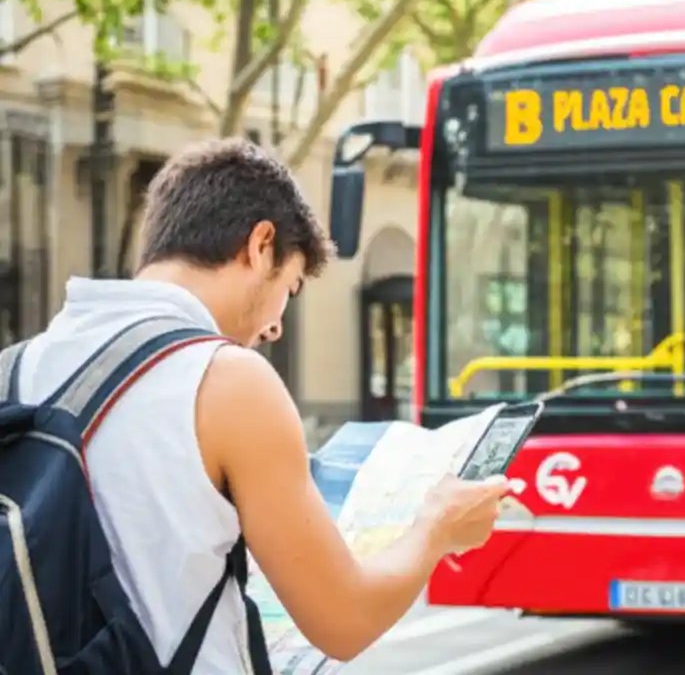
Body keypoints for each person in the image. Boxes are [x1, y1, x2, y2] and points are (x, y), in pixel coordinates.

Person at [13, 138, 510, 671]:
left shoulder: (16, 367)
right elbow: (343, 621)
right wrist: (436, 528)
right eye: (289, 289)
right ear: (261, 244)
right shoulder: (229, 379)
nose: (274, 326)